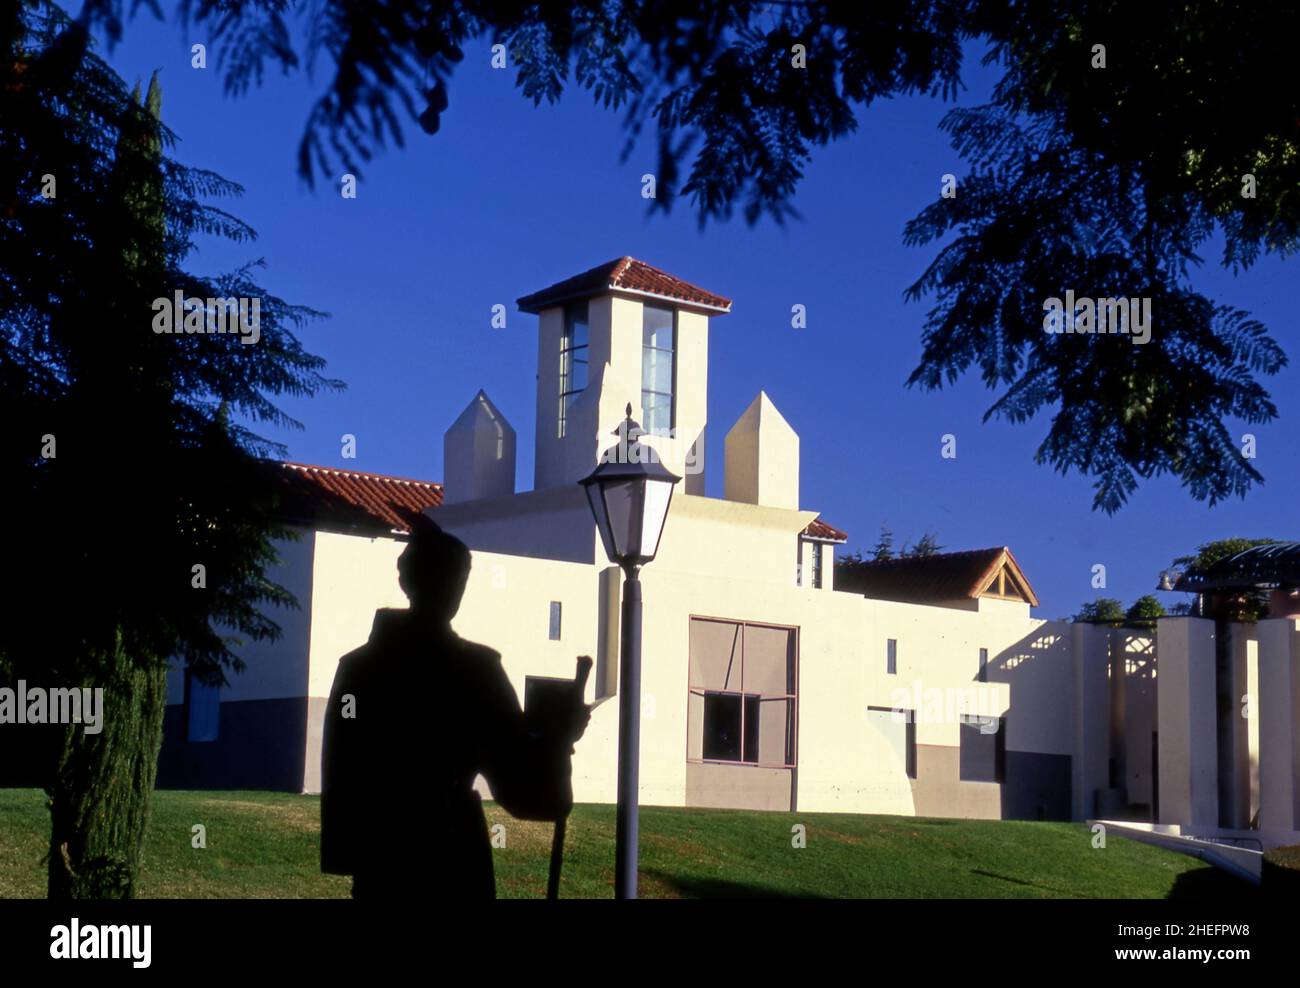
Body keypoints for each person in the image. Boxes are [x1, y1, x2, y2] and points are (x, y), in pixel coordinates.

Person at [320, 514, 589, 899]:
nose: (455, 589)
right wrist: (558, 742)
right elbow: (526, 792)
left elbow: (341, 776)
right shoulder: (474, 670)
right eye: (455, 578)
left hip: (383, 866)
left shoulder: (359, 668)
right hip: (451, 860)